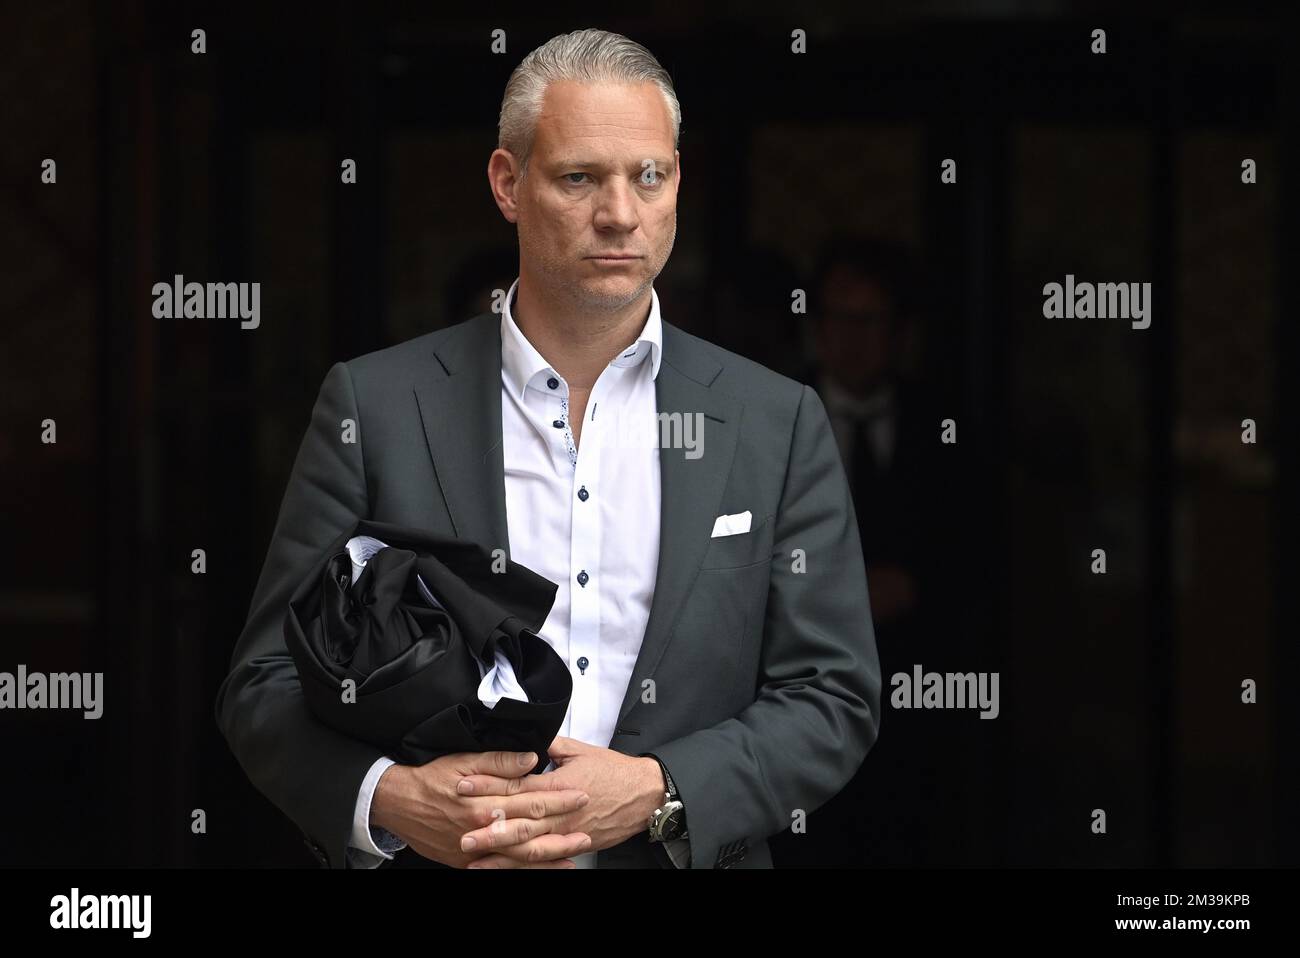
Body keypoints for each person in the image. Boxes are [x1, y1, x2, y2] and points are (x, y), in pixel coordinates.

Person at [215, 28, 880, 870]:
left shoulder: (775, 421)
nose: (620, 213)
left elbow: (833, 695)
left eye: (650, 176)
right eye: (578, 178)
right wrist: (386, 797)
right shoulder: (377, 405)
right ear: (507, 183)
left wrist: (660, 790)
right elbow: (263, 682)